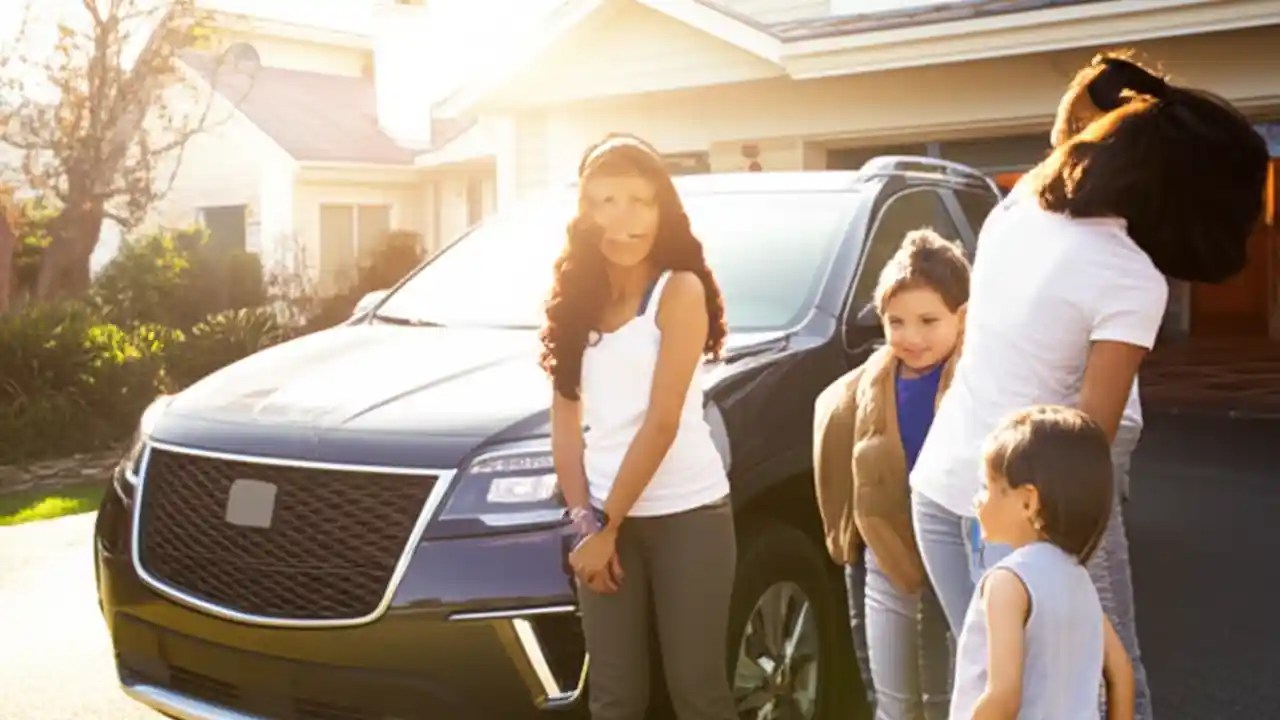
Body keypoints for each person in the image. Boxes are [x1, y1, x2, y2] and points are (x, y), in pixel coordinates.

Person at [908, 55, 1270, 720]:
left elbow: (1066, 138)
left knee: (995, 686)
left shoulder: (1016, 209)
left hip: (941, 489)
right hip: (1029, 504)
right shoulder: (1130, 276)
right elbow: (1085, 441)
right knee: (1103, 679)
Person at [541, 133, 736, 720]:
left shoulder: (679, 290)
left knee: (696, 691)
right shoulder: (574, 297)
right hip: (601, 519)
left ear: (662, 209)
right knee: (614, 696)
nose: (622, 219)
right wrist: (583, 524)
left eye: (638, 202)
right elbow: (565, 421)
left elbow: (663, 421)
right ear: (584, 211)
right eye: (605, 201)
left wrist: (607, 526)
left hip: (688, 518)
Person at [814, 230, 971, 719]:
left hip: (960, 554)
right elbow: (839, 465)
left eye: (929, 320)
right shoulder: (863, 388)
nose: (912, 337)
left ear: (962, 317)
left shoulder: (978, 381)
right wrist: (846, 539)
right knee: (893, 697)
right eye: (895, 322)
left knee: (957, 691)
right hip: (887, 550)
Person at [951, 405, 1135, 720]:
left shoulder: (1008, 582)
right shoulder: (1079, 580)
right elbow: (1121, 674)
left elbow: (1004, 696)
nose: (978, 500)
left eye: (987, 487)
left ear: (1028, 501)